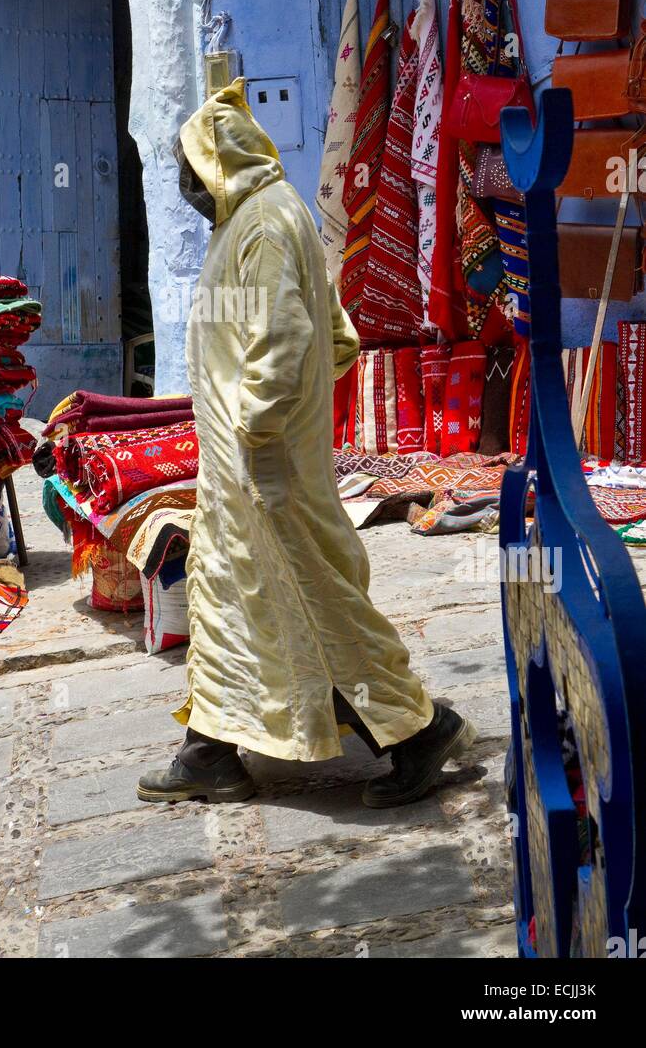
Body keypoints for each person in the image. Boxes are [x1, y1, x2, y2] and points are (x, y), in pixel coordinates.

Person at [137, 80, 474, 809]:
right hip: (245, 473)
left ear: (220, 163)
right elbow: (337, 334)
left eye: (189, 174)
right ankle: (212, 751)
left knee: (311, 603)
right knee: (239, 603)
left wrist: (260, 430)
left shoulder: (263, 224)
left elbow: (286, 338)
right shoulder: (253, 222)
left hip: (263, 472)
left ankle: (419, 732)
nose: (186, 190)